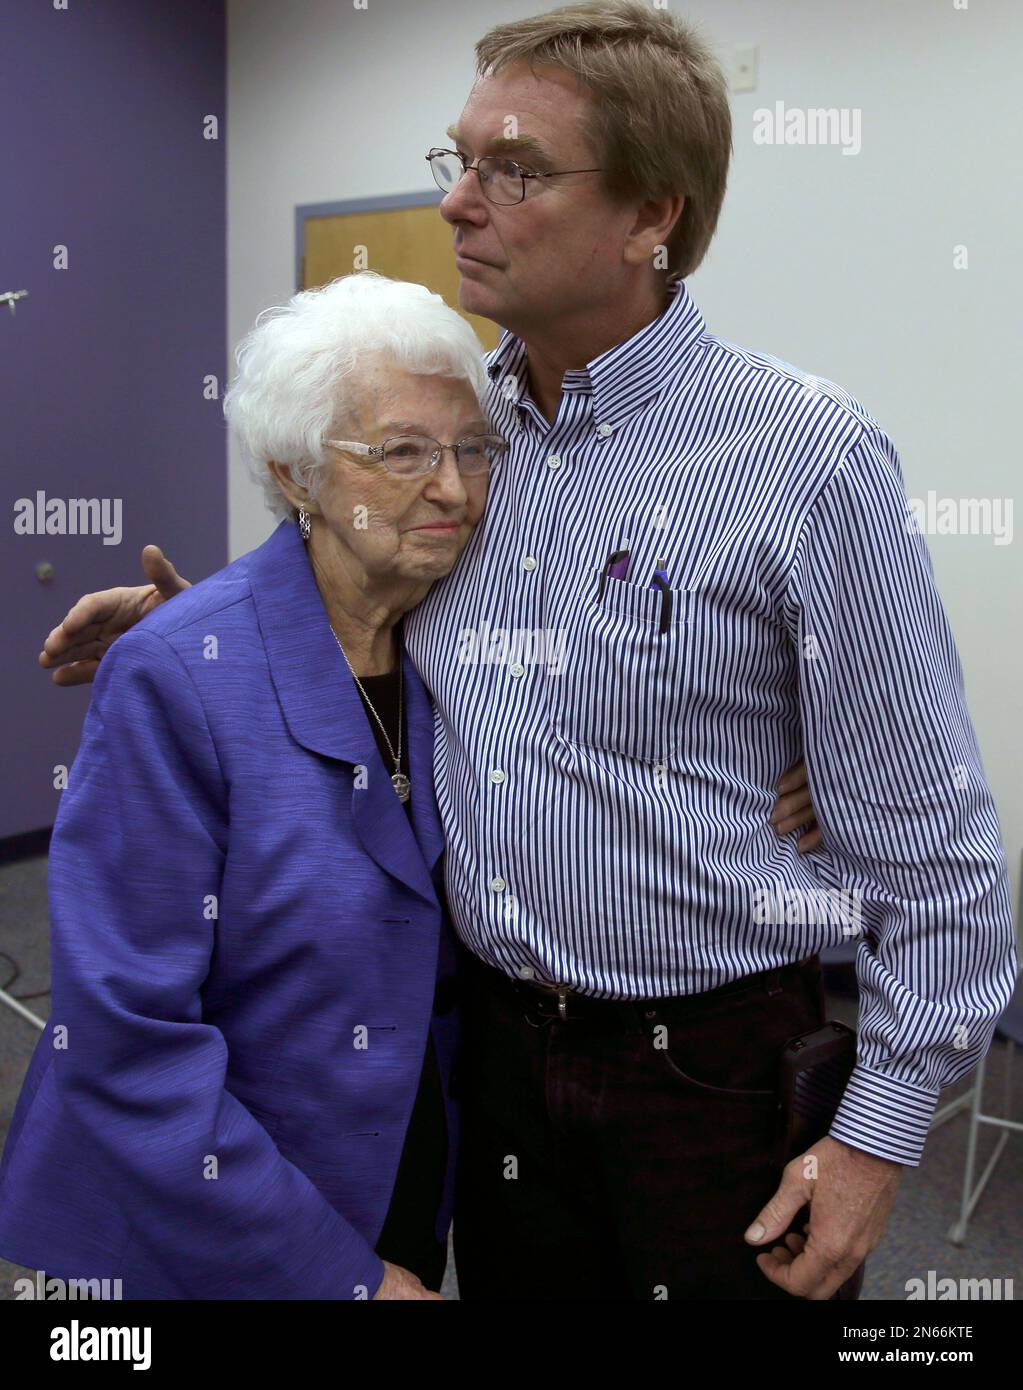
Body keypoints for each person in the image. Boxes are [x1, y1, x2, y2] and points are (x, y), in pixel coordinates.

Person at [45, 0, 1011, 1303]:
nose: (456, 204)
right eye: (458, 162)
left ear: (648, 215)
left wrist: (872, 1140)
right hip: (483, 1054)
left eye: (512, 171)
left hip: (703, 1073)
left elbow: (930, 844)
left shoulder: (802, 458)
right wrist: (201, 631)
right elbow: (375, 591)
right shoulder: (463, 429)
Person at [0, 271, 511, 1299]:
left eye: (472, 448)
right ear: (295, 473)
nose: (454, 489)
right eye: (403, 452)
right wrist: (338, 1279)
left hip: (402, 1179)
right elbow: (128, 1040)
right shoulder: (173, 674)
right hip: (215, 1233)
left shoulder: (456, 654)